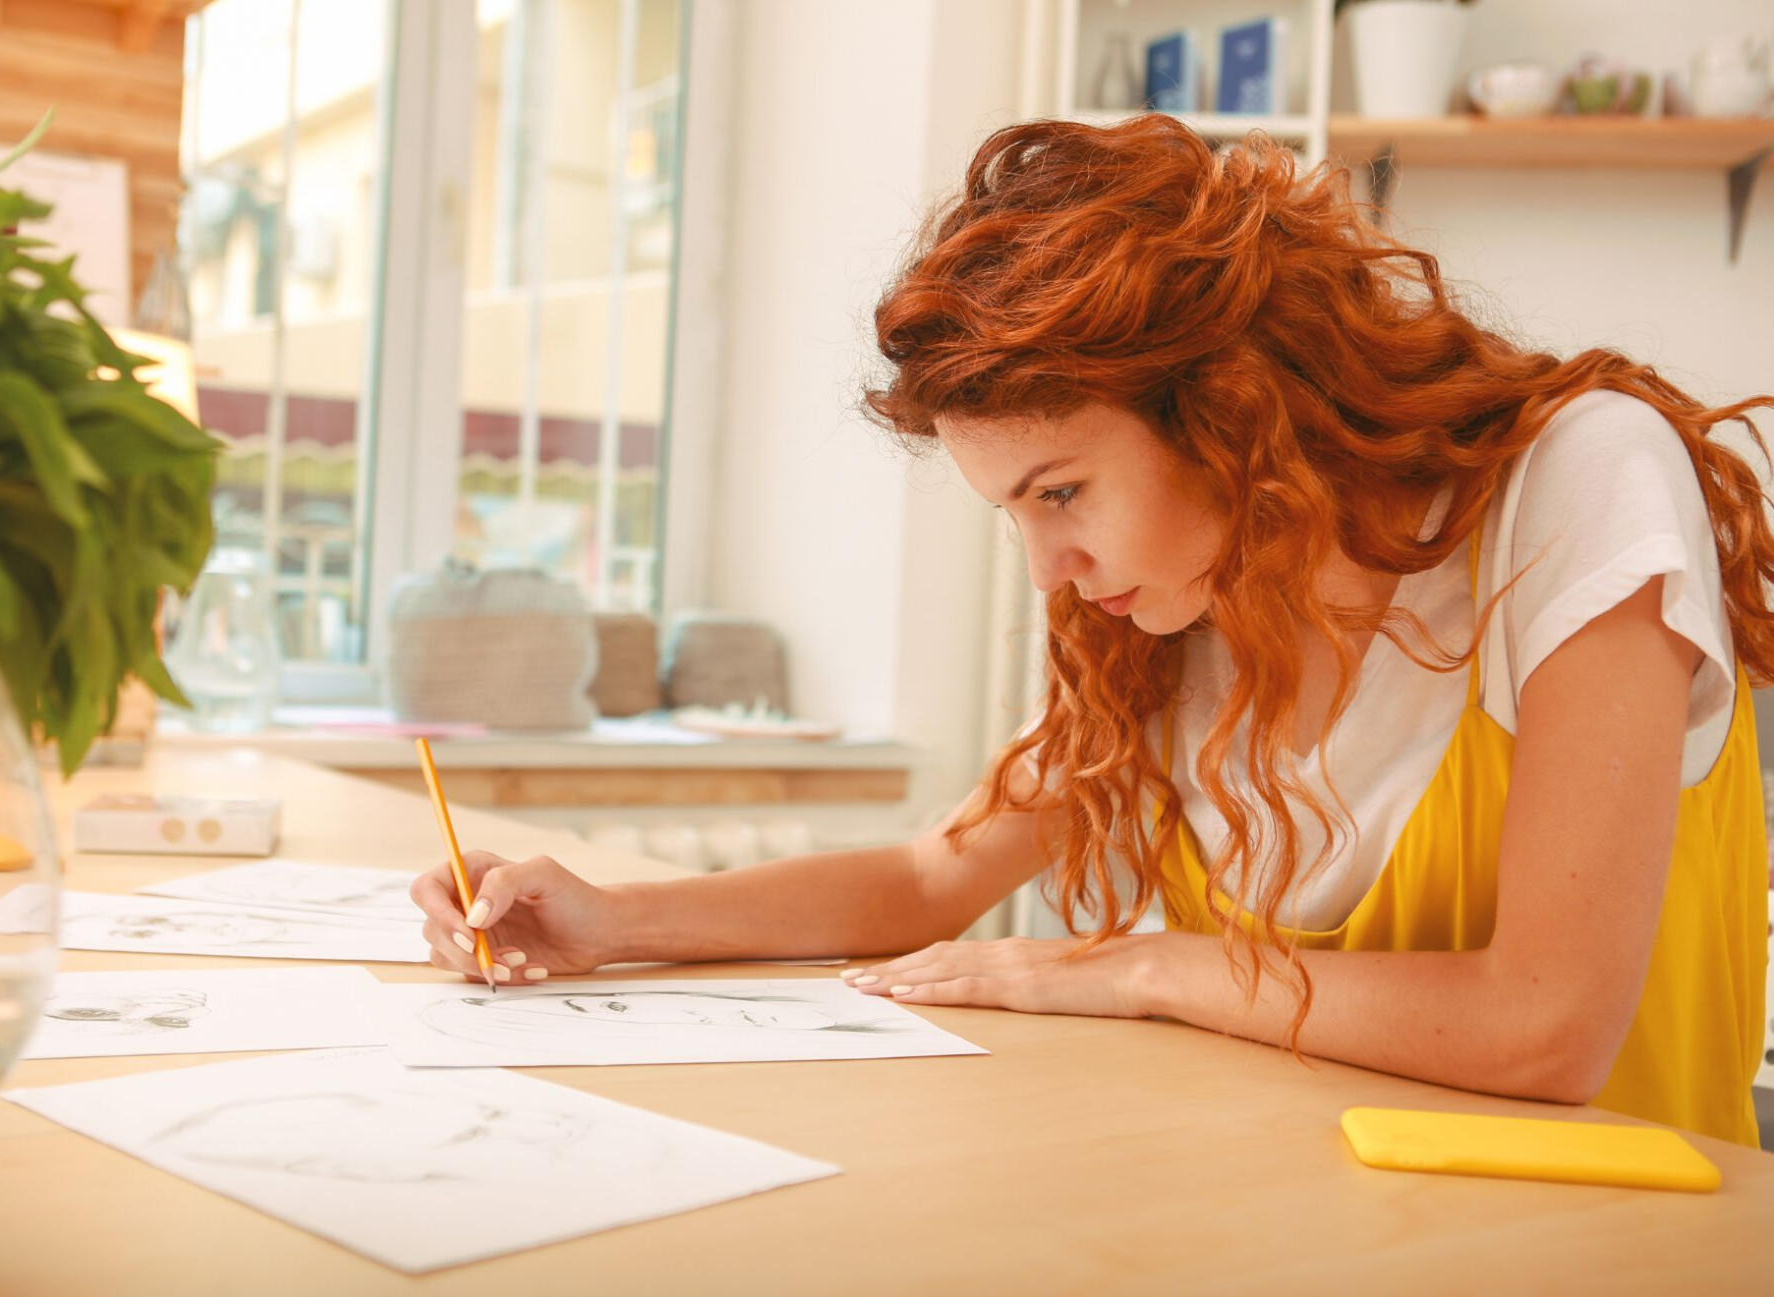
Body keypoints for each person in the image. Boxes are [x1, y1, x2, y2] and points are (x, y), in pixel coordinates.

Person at [412, 116, 1773, 1145]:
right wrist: (610, 919)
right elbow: (926, 876)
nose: (1050, 571)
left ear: (1235, 405)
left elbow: (1545, 1027)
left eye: (1060, 493)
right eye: (1012, 514)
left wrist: (1138, 965)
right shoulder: (1185, 609)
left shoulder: (1579, 479)